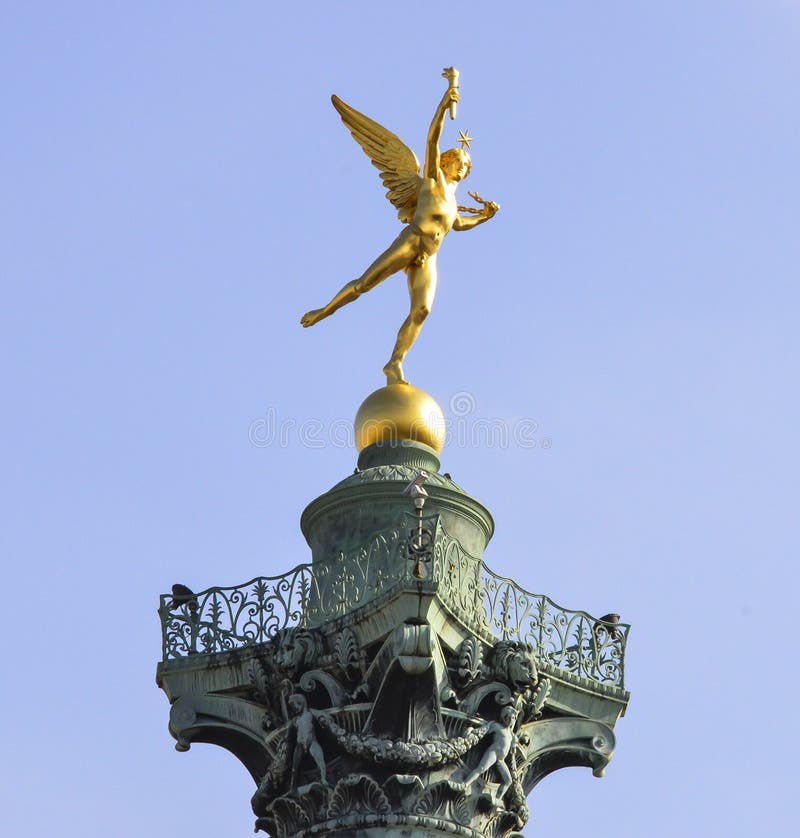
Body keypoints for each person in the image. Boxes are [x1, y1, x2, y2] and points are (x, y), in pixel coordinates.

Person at [301, 83, 499, 385]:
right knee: (363, 285)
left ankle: (394, 363)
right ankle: (324, 310)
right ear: (446, 161)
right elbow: (432, 138)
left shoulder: (453, 204)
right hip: (411, 242)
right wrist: (445, 102)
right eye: (458, 160)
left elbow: (458, 225)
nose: (462, 166)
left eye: (467, 164)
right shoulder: (431, 182)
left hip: (428, 258)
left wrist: (484, 217)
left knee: (421, 310)